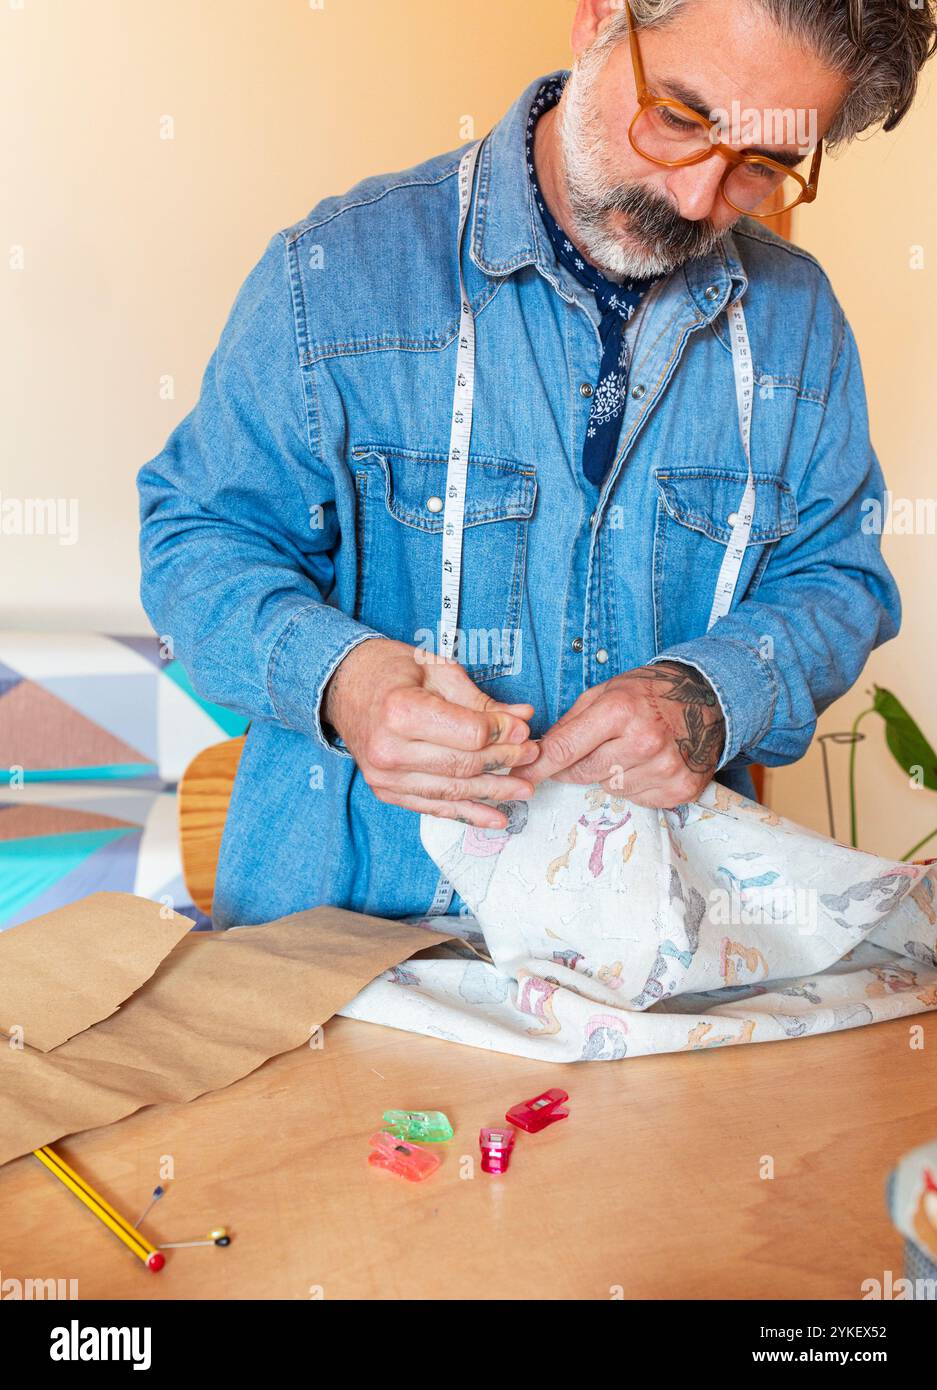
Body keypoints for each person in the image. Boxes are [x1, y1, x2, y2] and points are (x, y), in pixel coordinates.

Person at [138, 0, 934, 928]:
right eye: (678, 117)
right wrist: (346, 679)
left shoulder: (799, 320)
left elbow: (839, 578)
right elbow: (195, 537)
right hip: (344, 949)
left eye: (761, 166)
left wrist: (710, 695)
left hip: (666, 957)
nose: (692, 198)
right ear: (600, 16)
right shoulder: (332, 274)